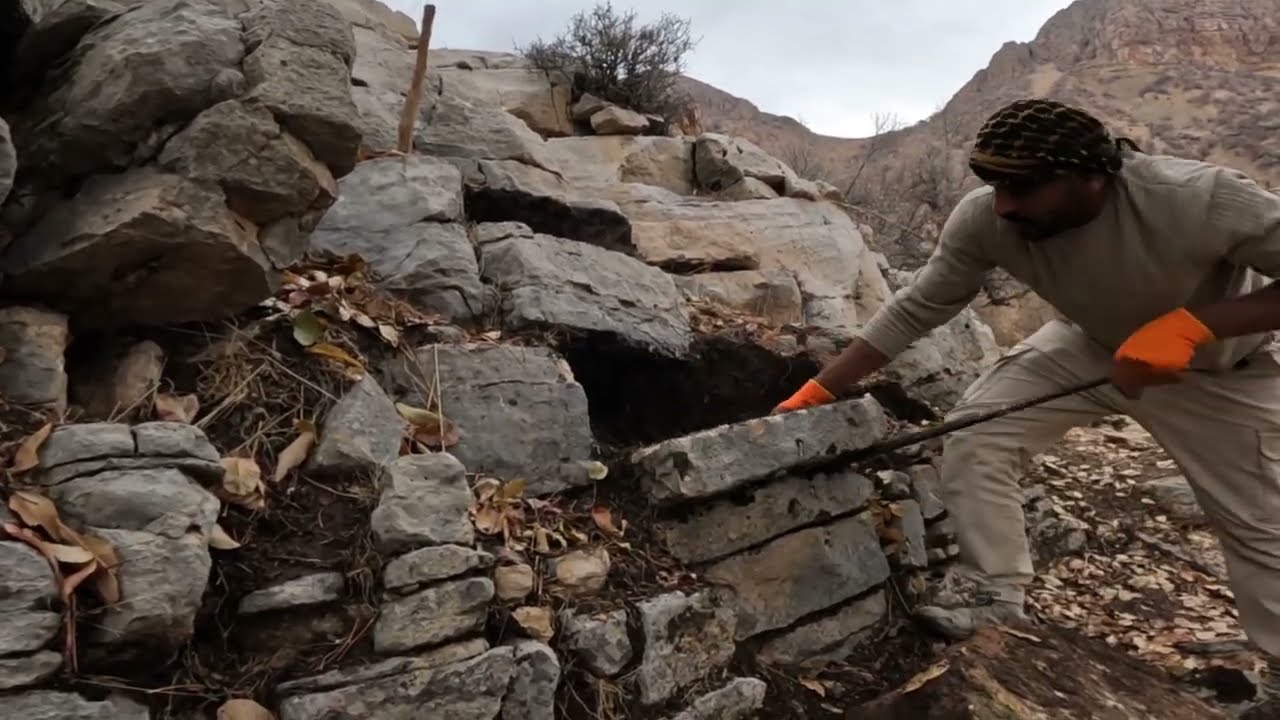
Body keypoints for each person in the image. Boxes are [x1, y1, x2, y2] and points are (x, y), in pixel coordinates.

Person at [773, 97, 1280, 717]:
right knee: (977, 433)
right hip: (1089, 346)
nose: (1004, 206)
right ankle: (994, 597)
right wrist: (821, 389)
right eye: (996, 186)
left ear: (1092, 175)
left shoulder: (1197, 198)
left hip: (1222, 375)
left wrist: (1196, 326)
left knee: (1263, 529)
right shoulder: (986, 219)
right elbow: (918, 307)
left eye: (1023, 188)